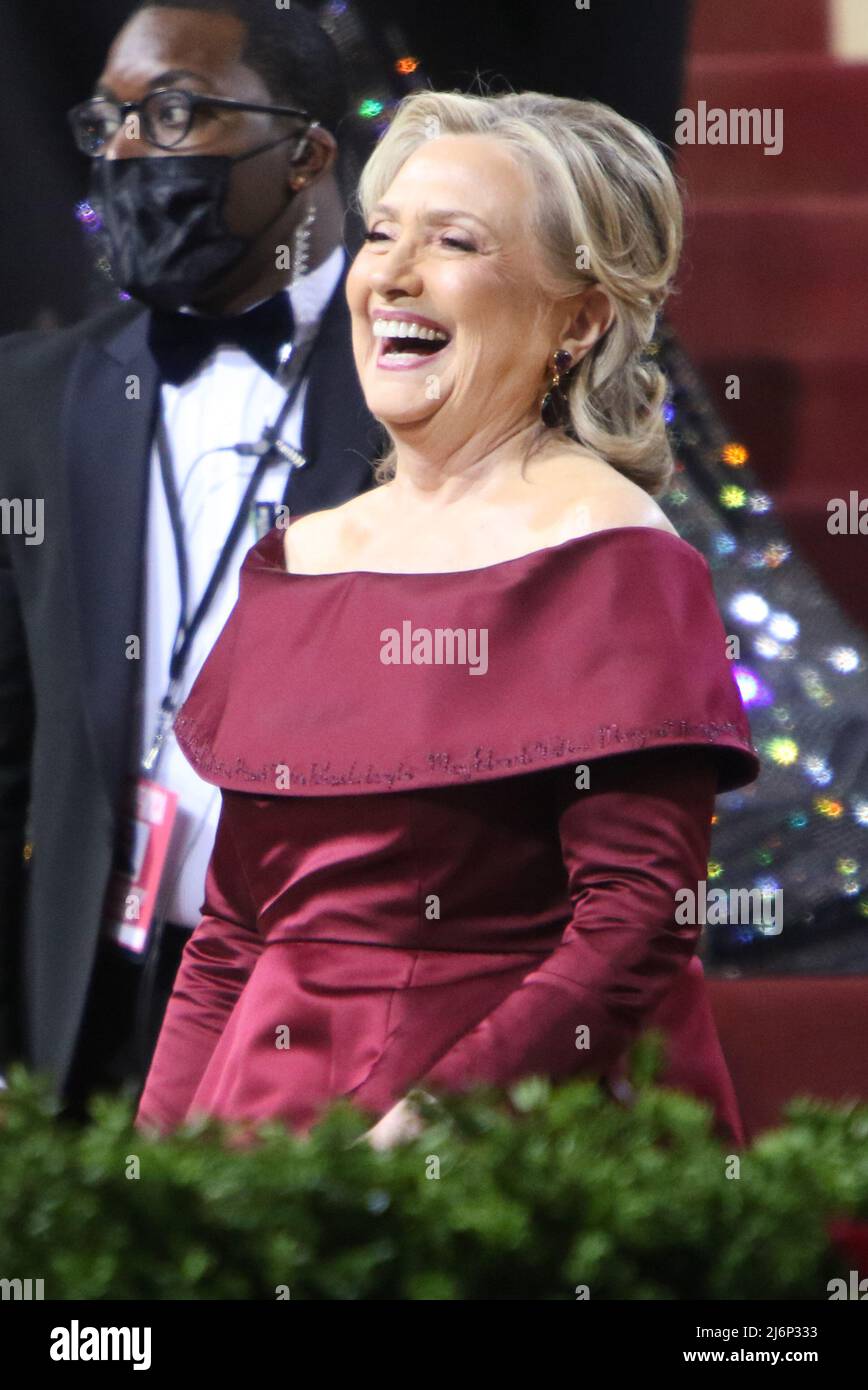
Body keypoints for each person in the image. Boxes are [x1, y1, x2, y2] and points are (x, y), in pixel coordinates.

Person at [136, 88, 760, 1149]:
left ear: (580, 317)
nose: (392, 275)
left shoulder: (614, 556)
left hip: (514, 1150)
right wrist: (150, 1173)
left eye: (454, 241)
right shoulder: (300, 559)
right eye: (381, 235)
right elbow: (234, 937)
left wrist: (436, 1122)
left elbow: (636, 918)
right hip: (263, 1144)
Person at [0, 0, 384, 1115]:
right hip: (88, 991)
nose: (126, 150)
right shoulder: (32, 396)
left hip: (337, 992)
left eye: (174, 112)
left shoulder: (425, 385)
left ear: (308, 149)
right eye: (109, 118)